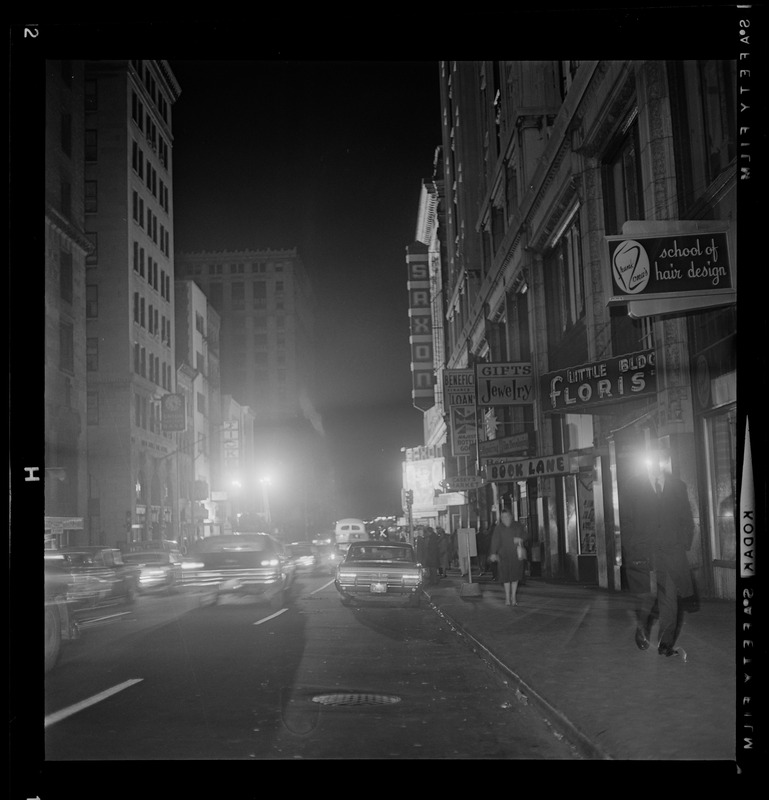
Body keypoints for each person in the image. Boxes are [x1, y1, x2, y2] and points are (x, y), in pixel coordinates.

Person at [622, 446, 695, 657]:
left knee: (669, 598)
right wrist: (631, 546)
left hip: (671, 551)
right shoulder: (633, 486)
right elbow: (626, 520)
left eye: (659, 461)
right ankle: (641, 628)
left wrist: (683, 542)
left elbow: (687, 519)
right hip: (643, 551)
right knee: (646, 596)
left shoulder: (678, 487)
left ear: (664, 463)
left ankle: (666, 642)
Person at [488, 509, 527, 606]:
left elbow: (526, 535)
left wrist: (521, 539)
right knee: (505, 577)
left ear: (511, 516)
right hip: (503, 556)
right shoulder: (498, 528)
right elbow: (495, 541)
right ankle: (507, 598)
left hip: (516, 555)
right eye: (503, 517)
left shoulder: (518, 525)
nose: (505, 519)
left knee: (515, 577)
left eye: (507, 516)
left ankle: (513, 597)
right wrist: (493, 553)